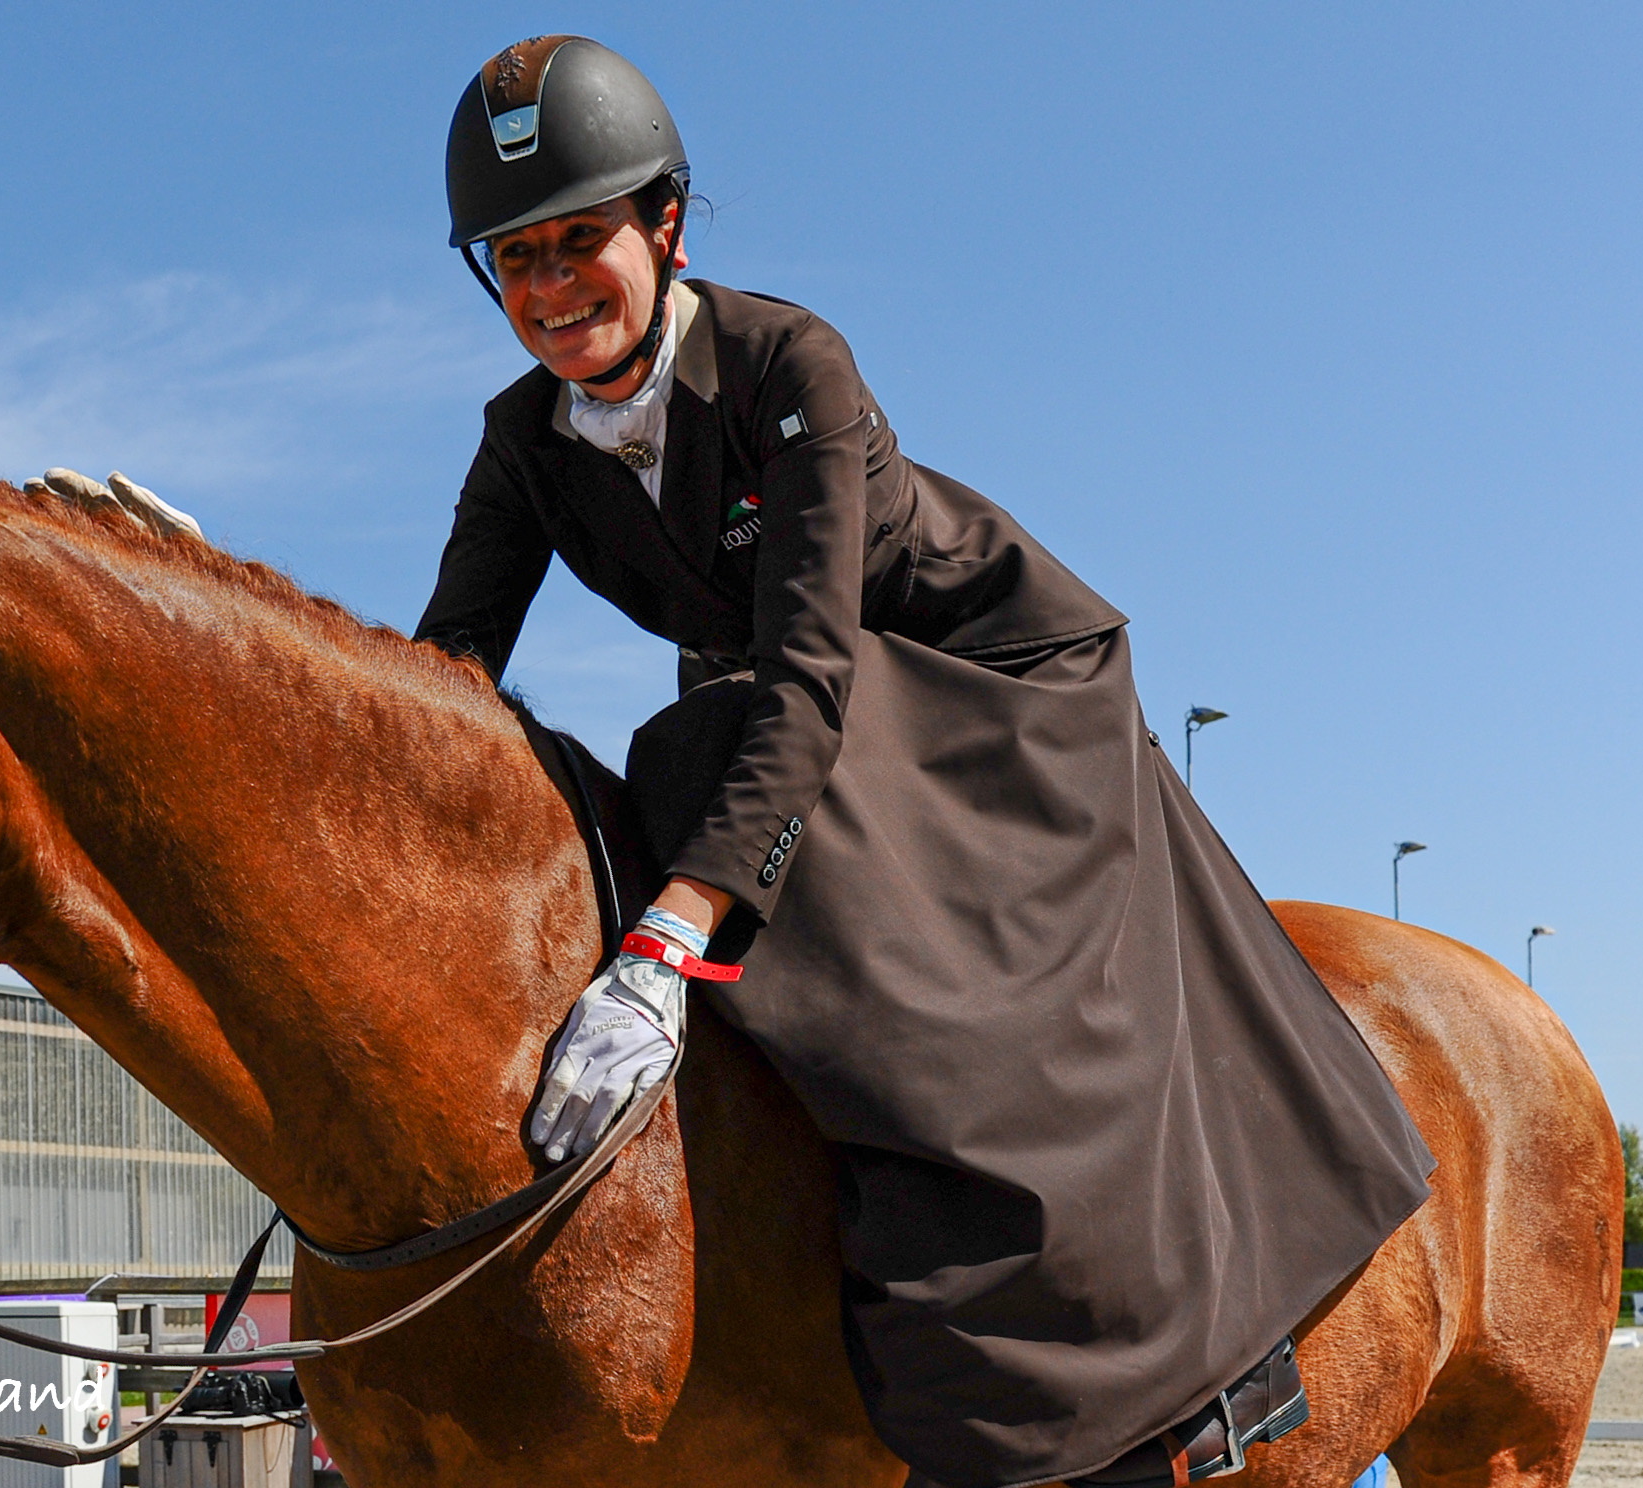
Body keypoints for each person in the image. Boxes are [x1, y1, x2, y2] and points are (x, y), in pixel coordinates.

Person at [414, 35, 1436, 1488]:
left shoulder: (787, 363)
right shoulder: (520, 442)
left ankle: (1193, 1386)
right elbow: (449, 673)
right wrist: (216, 617)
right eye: (513, 258)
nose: (548, 287)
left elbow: (814, 668)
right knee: (679, 757)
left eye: (579, 240)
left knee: (719, 767)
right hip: (798, 710)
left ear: (667, 227)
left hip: (990, 678)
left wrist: (667, 941)